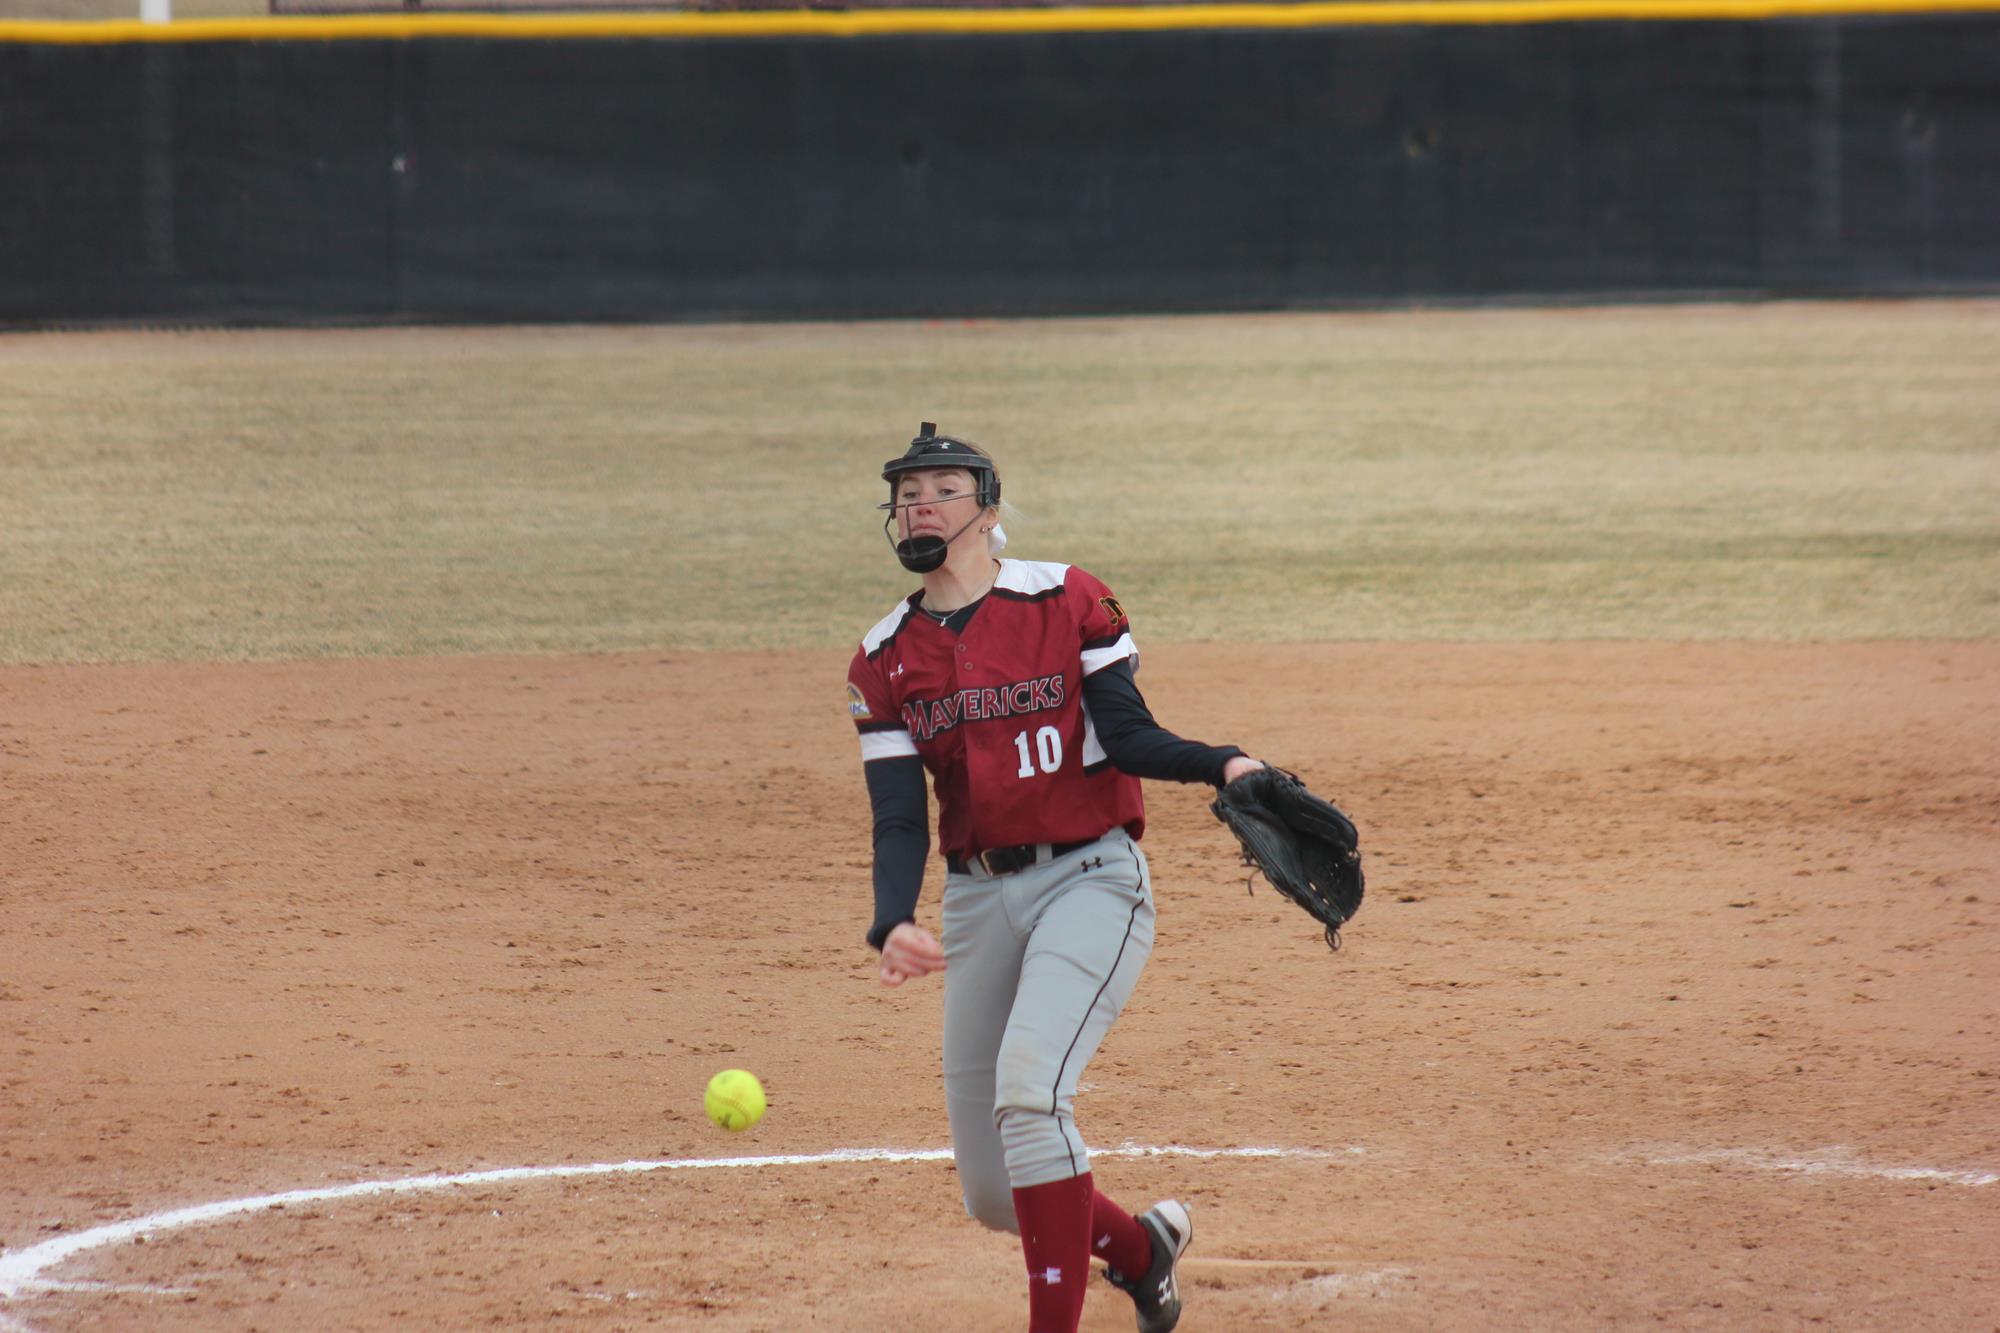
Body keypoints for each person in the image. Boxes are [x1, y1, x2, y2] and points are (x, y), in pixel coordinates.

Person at [844, 423, 1265, 1333]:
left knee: (1031, 1097)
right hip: (976, 899)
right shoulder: (884, 656)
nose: (920, 503)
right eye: (908, 492)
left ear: (987, 508)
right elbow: (899, 816)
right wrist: (890, 920)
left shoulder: (1067, 597)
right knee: (998, 1193)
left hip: (1091, 879)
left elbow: (1132, 735)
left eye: (943, 488)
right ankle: (1145, 1253)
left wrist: (1225, 763)